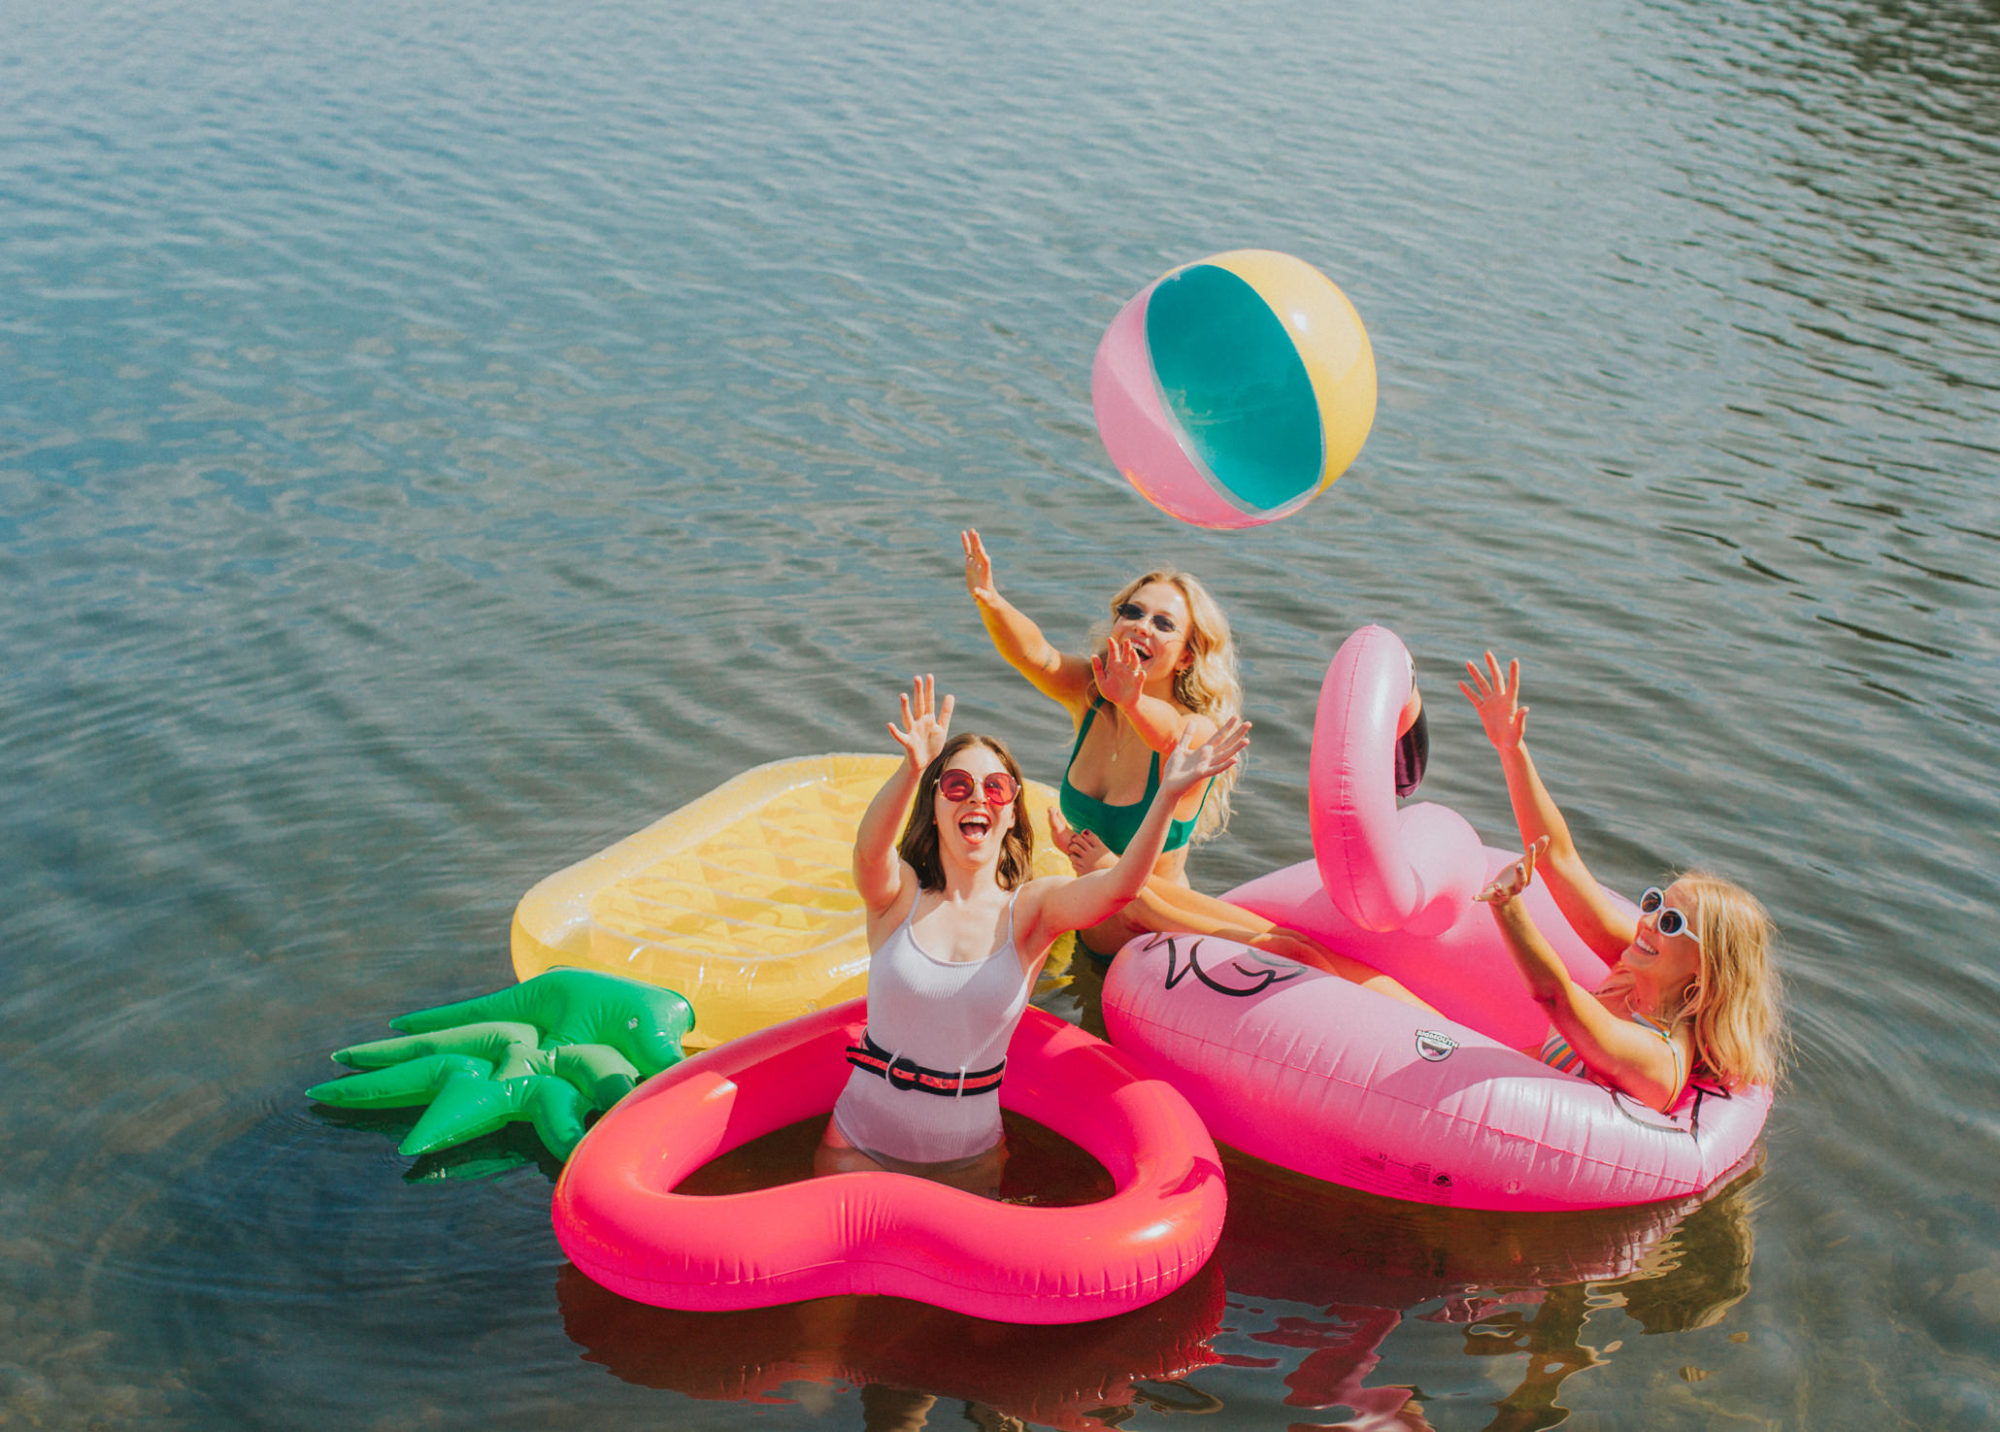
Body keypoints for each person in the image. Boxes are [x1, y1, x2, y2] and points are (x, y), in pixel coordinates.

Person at [816, 675, 1248, 1194]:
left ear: (1010, 810)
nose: (977, 797)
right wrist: (913, 769)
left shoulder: (1032, 910)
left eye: (994, 787)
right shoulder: (900, 895)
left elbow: (1118, 889)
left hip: (965, 1164)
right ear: (935, 807)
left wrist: (1167, 796)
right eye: (957, 785)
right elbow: (869, 853)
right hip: (855, 1148)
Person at [958, 530, 1417, 1006]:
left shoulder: (1198, 732)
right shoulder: (1093, 697)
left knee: (1293, 954)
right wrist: (990, 601)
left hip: (1160, 949)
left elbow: (1170, 739)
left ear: (1186, 656)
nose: (1141, 626)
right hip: (1091, 940)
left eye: (1162, 623)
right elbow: (1038, 656)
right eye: (1131, 613)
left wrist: (1132, 701)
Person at [1460, 652, 1787, 1110]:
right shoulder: (1635, 973)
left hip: (1485, 1113)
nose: (1649, 921)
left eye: (1672, 922)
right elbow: (1560, 860)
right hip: (1484, 1074)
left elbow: (1555, 997)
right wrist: (1511, 750)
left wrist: (1508, 906)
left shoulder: (1657, 1058)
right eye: (1655, 903)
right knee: (1320, 958)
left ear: (1705, 970)